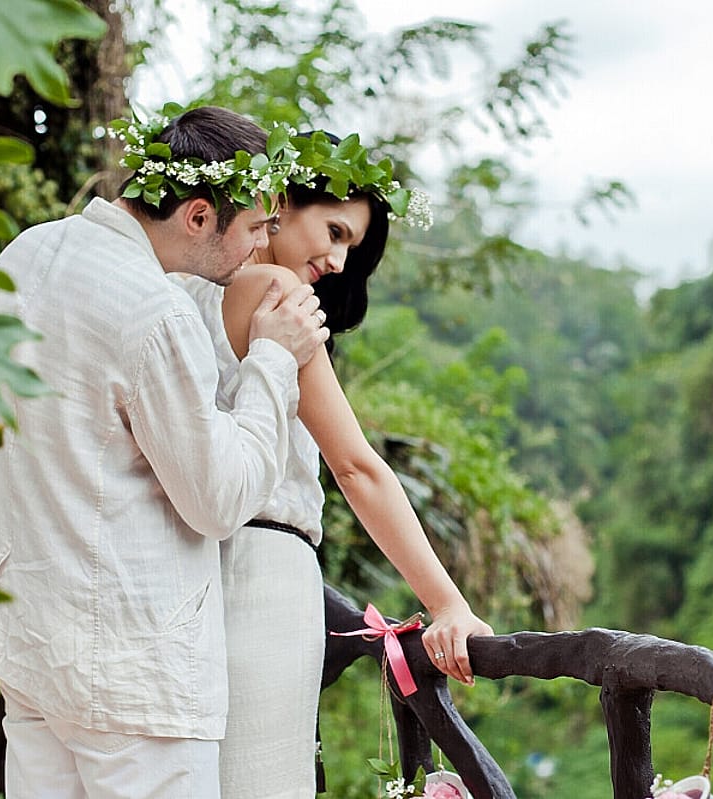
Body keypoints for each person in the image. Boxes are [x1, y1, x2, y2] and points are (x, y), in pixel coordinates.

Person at [0, 105, 331, 799]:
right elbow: (219, 499)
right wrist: (273, 359)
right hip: (134, 669)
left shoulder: (24, 255)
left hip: (29, 643)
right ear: (195, 215)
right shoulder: (155, 312)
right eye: (252, 228)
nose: (258, 249)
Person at [177, 133, 494, 798]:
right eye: (335, 230)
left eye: (352, 246)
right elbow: (355, 467)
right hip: (264, 569)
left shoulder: (175, 288)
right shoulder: (275, 292)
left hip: (180, 563)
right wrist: (447, 602)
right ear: (280, 201)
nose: (339, 257)